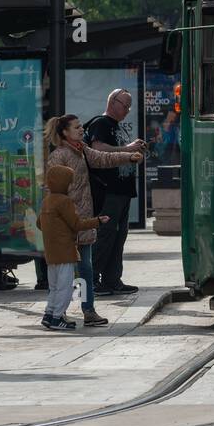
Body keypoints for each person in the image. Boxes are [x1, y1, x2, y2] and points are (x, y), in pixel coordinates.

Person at [43, 113, 142, 326]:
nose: (81, 130)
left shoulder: (81, 151)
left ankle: (87, 311)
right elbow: (50, 189)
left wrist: (128, 156)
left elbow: (102, 158)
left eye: (81, 127)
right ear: (64, 133)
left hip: (83, 220)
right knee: (65, 274)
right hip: (67, 224)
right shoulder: (59, 156)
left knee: (85, 269)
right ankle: (57, 313)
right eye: (76, 127)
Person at [84, 89, 148, 295]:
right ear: (112, 101)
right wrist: (129, 148)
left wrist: (136, 152)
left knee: (119, 236)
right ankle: (91, 280)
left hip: (123, 190)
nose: (128, 110)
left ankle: (112, 279)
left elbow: (123, 153)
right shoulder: (100, 124)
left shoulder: (118, 127)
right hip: (108, 190)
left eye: (130, 106)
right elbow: (97, 148)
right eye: (125, 105)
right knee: (106, 234)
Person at [38, 164, 109, 331]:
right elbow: (76, 224)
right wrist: (97, 221)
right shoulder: (64, 201)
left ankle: (49, 314)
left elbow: (39, 223)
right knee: (65, 287)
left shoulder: (46, 201)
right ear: (62, 183)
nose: (70, 186)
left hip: (51, 252)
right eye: (69, 182)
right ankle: (57, 318)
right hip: (65, 251)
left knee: (54, 286)